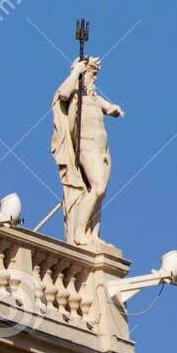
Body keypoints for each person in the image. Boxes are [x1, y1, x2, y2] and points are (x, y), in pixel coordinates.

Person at [51, 55, 123, 246]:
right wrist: (76, 71)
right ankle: (79, 233)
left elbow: (109, 107)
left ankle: (93, 235)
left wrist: (115, 109)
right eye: (91, 73)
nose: (94, 78)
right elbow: (62, 94)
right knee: (97, 188)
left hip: (102, 150)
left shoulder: (94, 99)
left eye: (95, 74)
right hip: (86, 146)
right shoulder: (74, 97)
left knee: (100, 193)